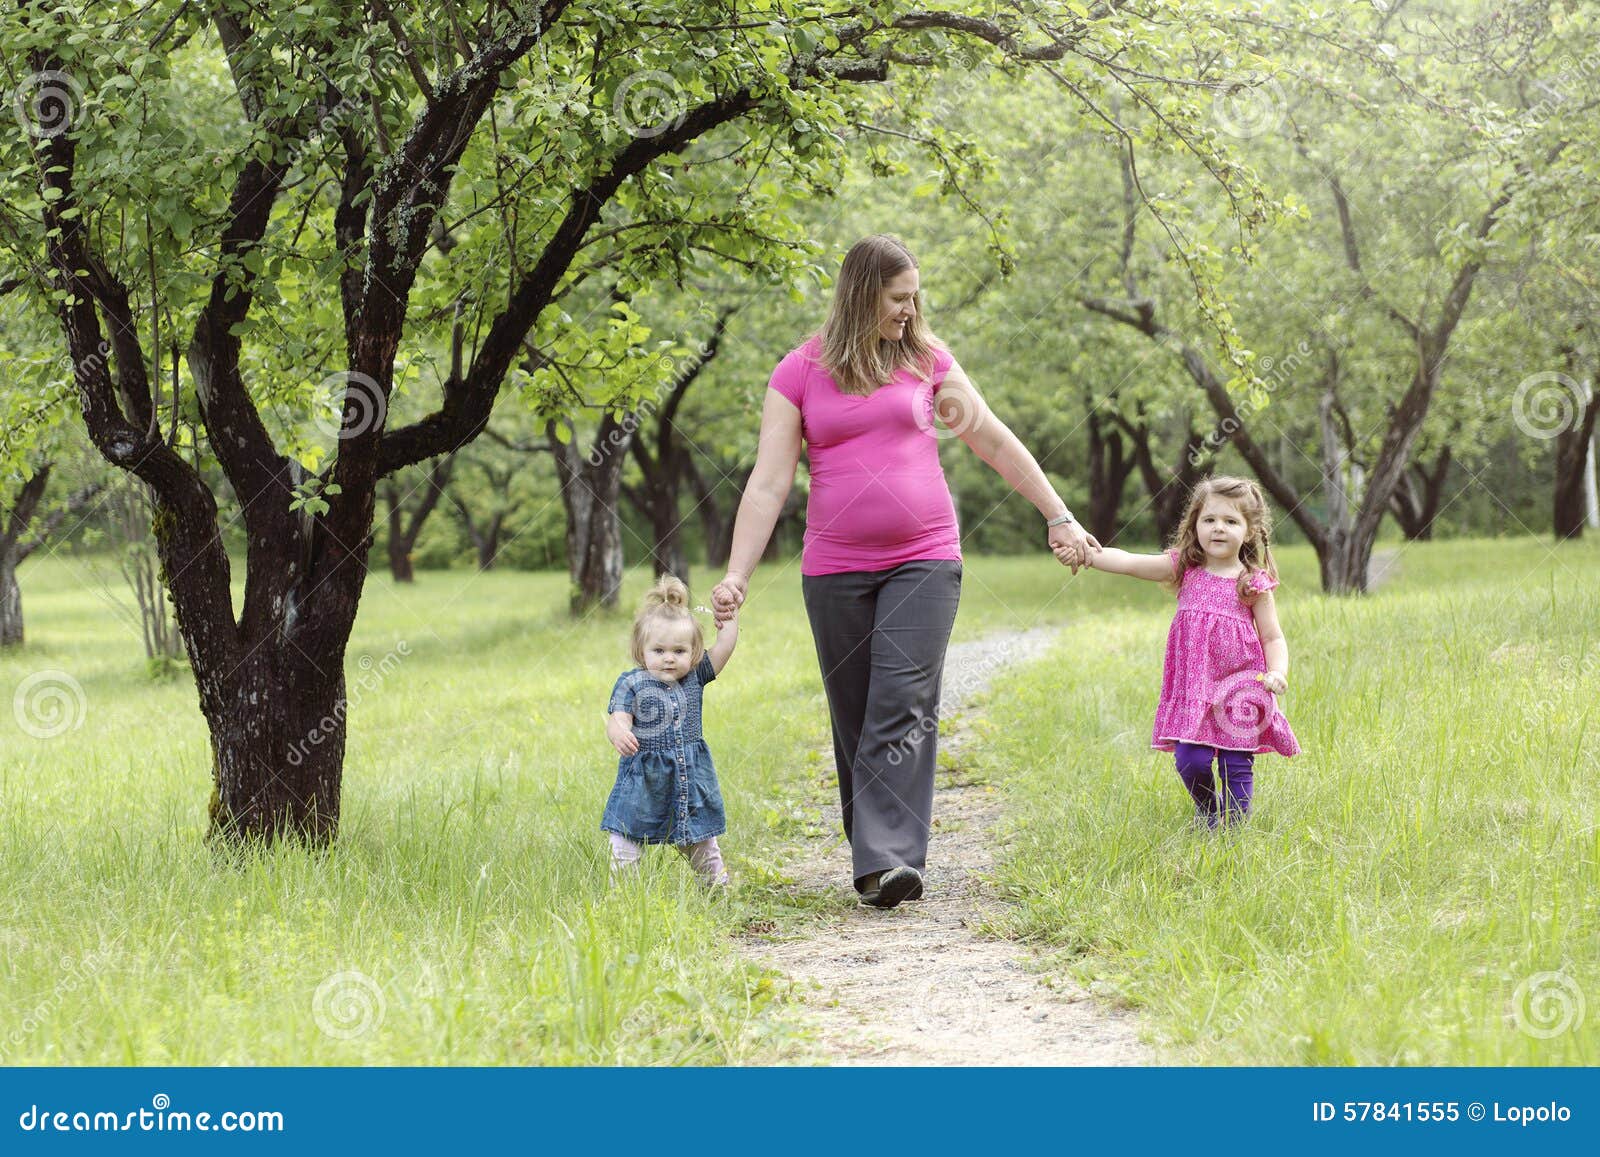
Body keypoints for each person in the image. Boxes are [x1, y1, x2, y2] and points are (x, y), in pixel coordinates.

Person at [711, 234, 1097, 907]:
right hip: (833, 568)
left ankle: (887, 857)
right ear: (863, 295)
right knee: (856, 714)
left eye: (915, 297)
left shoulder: (925, 361)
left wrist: (1057, 513)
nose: (909, 311)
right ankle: (874, 859)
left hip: (925, 557)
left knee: (901, 700)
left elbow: (991, 439)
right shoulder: (798, 372)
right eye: (898, 298)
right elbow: (768, 482)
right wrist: (738, 573)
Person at [1071, 475, 1300, 827]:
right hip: (1194, 688)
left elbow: (1272, 637)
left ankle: (1233, 836)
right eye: (1209, 520)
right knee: (1190, 761)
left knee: (1235, 764)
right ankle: (1209, 810)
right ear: (1195, 524)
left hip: (1240, 687)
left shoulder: (1252, 582)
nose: (1218, 528)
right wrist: (1089, 555)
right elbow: (1130, 562)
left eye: (1230, 521)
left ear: (1250, 531)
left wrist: (1278, 672)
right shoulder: (1185, 568)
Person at [602, 576, 737, 885]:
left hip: (689, 777)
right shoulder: (632, 683)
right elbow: (618, 716)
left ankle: (717, 892)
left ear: (694, 652)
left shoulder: (695, 677)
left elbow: (725, 647)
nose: (669, 658)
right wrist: (619, 732)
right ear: (641, 650)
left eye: (679, 650)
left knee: (701, 844)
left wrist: (729, 615)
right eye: (659, 650)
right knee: (625, 839)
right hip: (643, 781)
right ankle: (623, 899)